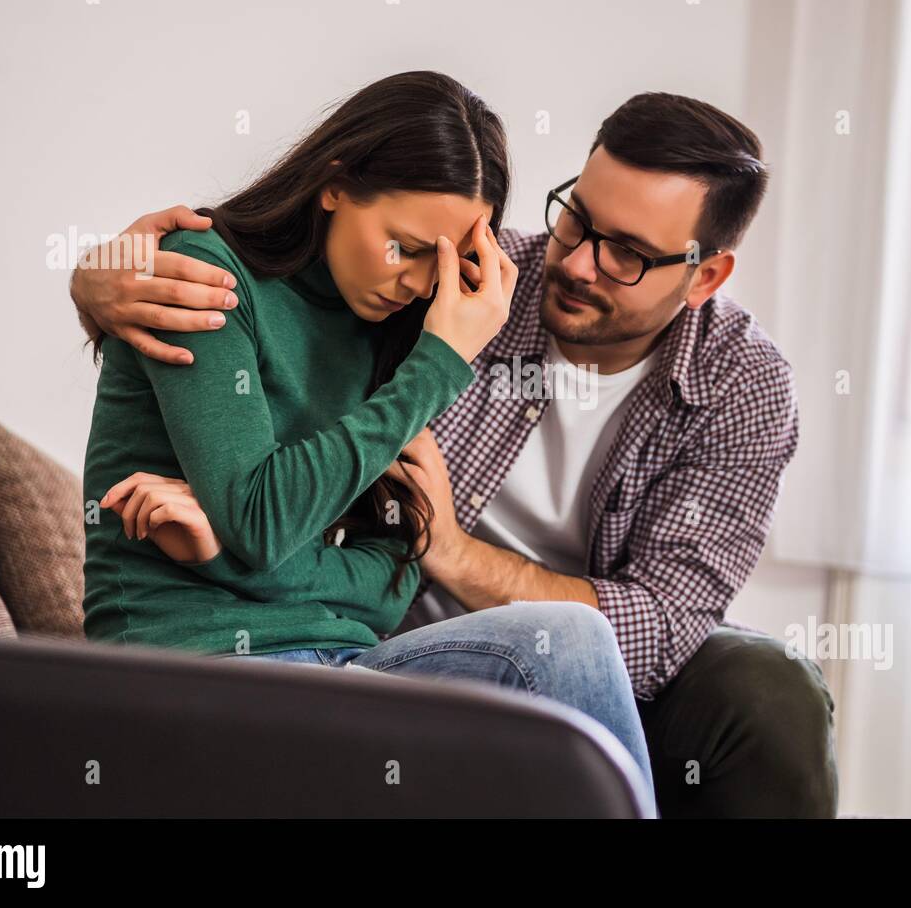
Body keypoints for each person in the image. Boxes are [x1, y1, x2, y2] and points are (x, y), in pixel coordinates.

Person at [73, 90, 837, 818]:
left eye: (628, 255)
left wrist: (447, 551)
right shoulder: (450, 285)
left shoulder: (741, 385)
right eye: (577, 219)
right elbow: (275, 518)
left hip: (441, 643)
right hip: (371, 641)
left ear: (704, 274)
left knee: (752, 685)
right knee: (567, 643)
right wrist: (93, 282)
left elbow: (659, 627)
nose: (576, 264)